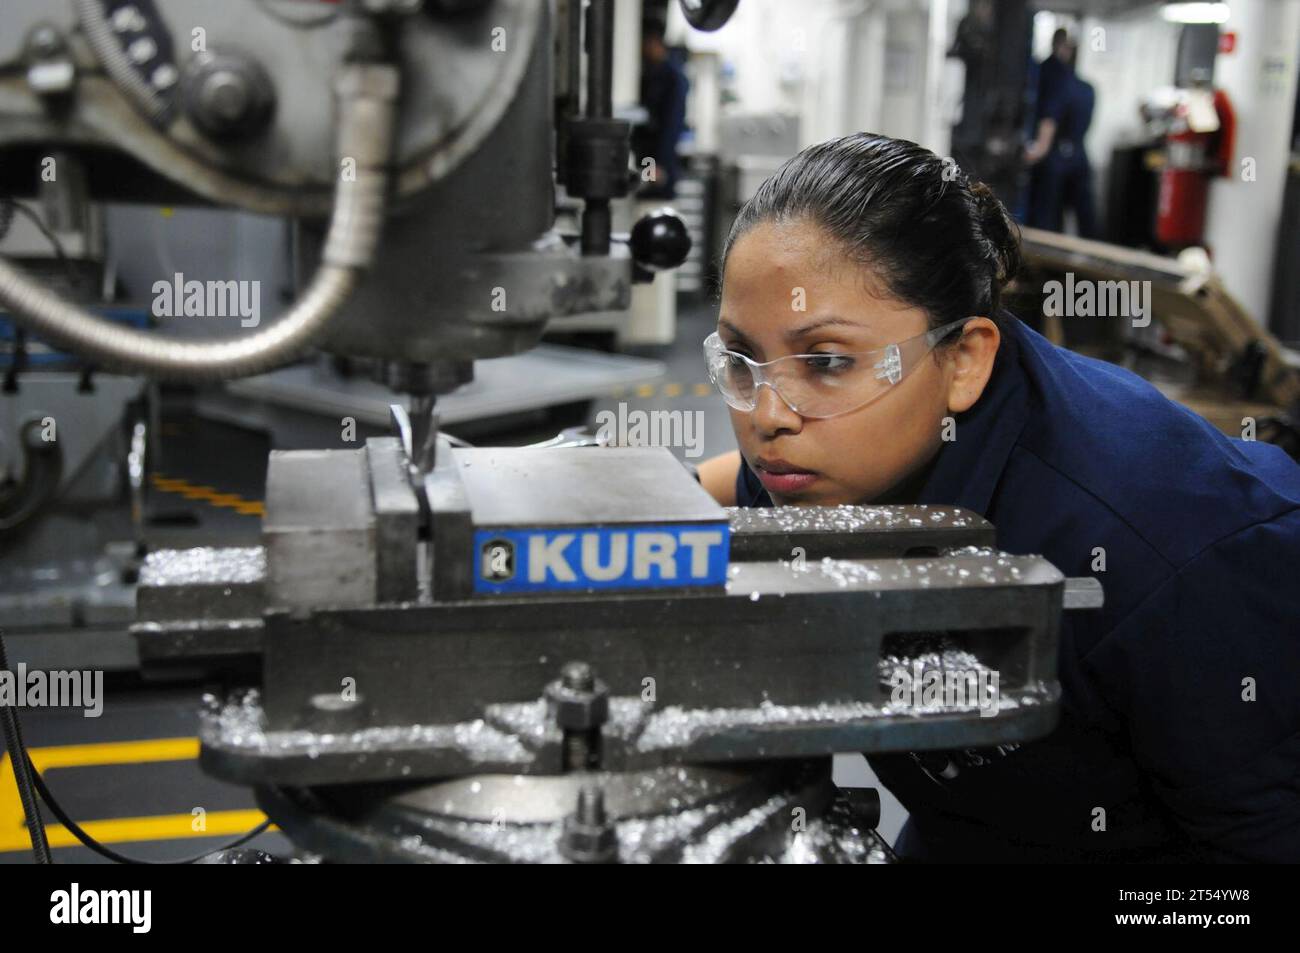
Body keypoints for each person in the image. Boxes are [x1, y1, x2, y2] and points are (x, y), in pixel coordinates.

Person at [696, 132, 1300, 862]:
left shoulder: (1161, 558)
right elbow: (729, 481)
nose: (768, 414)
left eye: (826, 360)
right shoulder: (821, 454)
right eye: (742, 358)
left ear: (964, 359)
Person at [1025, 29, 1098, 237]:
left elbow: (1049, 119)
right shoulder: (1086, 88)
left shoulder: (1053, 77)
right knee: (1085, 219)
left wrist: (1037, 150)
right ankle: (1086, 264)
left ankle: (1047, 266)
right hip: (1078, 156)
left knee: (1046, 220)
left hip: (1055, 158)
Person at [633, 18, 689, 200]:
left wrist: (660, 164)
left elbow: (672, 123)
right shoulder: (654, 73)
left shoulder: (671, 76)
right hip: (650, 156)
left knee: (653, 198)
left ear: (654, 43)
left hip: (657, 158)